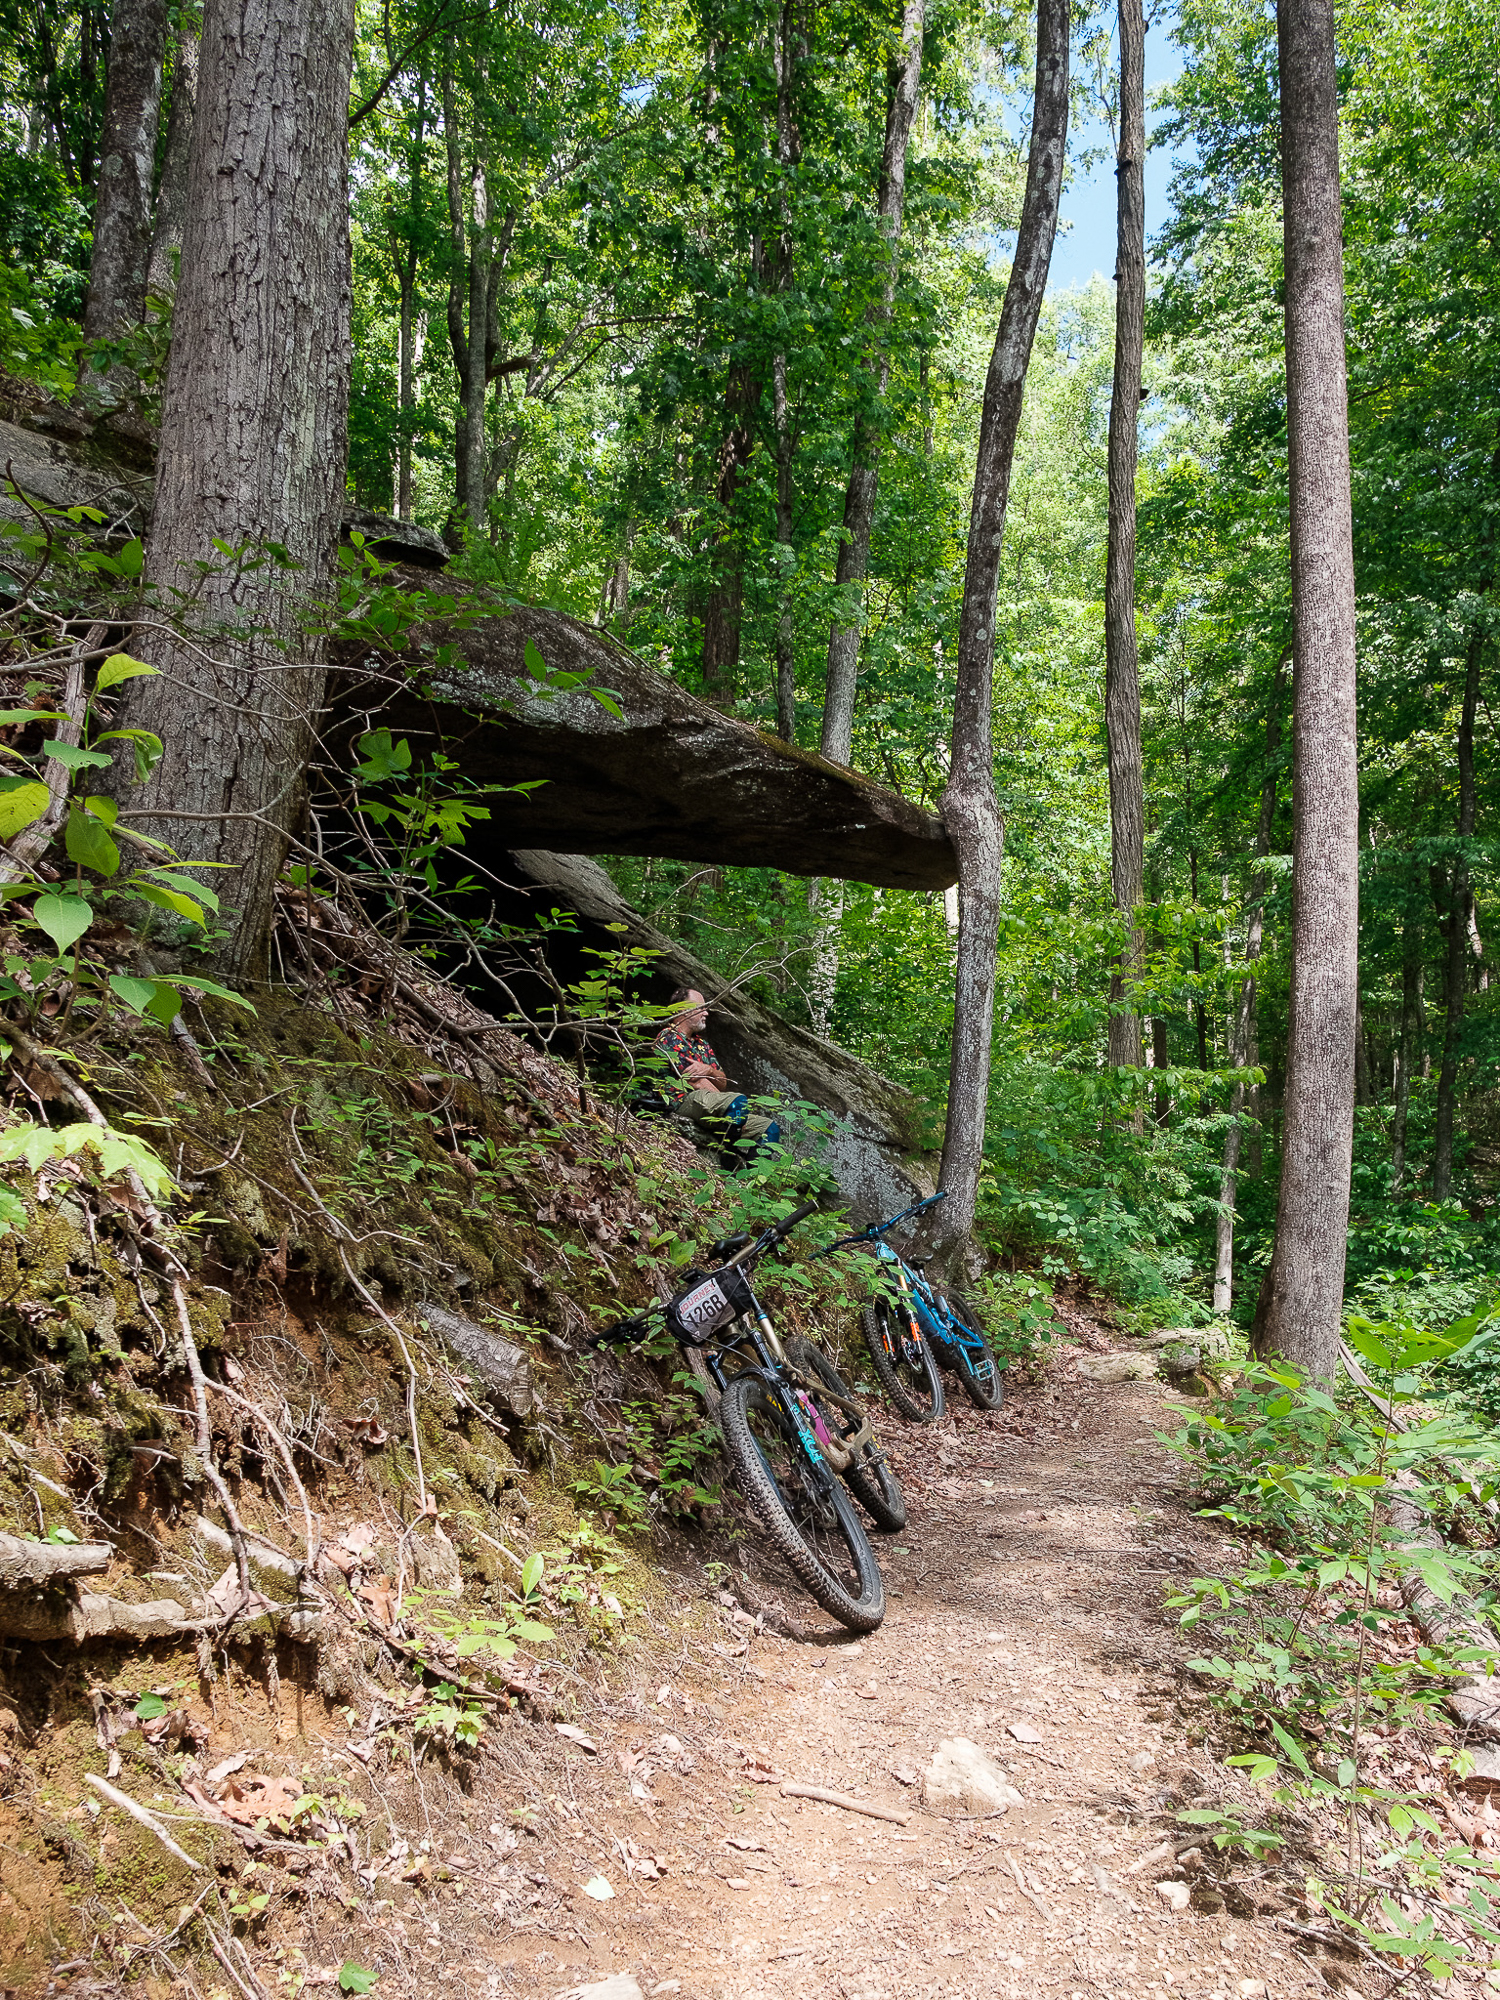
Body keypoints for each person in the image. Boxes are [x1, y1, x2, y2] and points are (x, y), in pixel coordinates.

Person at [651, 987, 781, 1156]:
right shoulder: (668, 1037)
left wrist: (710, 1070)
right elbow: (695, 1081)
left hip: (708, 1102)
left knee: (769, 1128)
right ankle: (728, 1158)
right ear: (682, 1010)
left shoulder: (702, 1044)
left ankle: (753, 1177)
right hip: (682, 1101)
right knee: (738, 1102)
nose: (706, 1013)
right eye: (701, 1008)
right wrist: (730, 1103)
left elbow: (723, 1082)